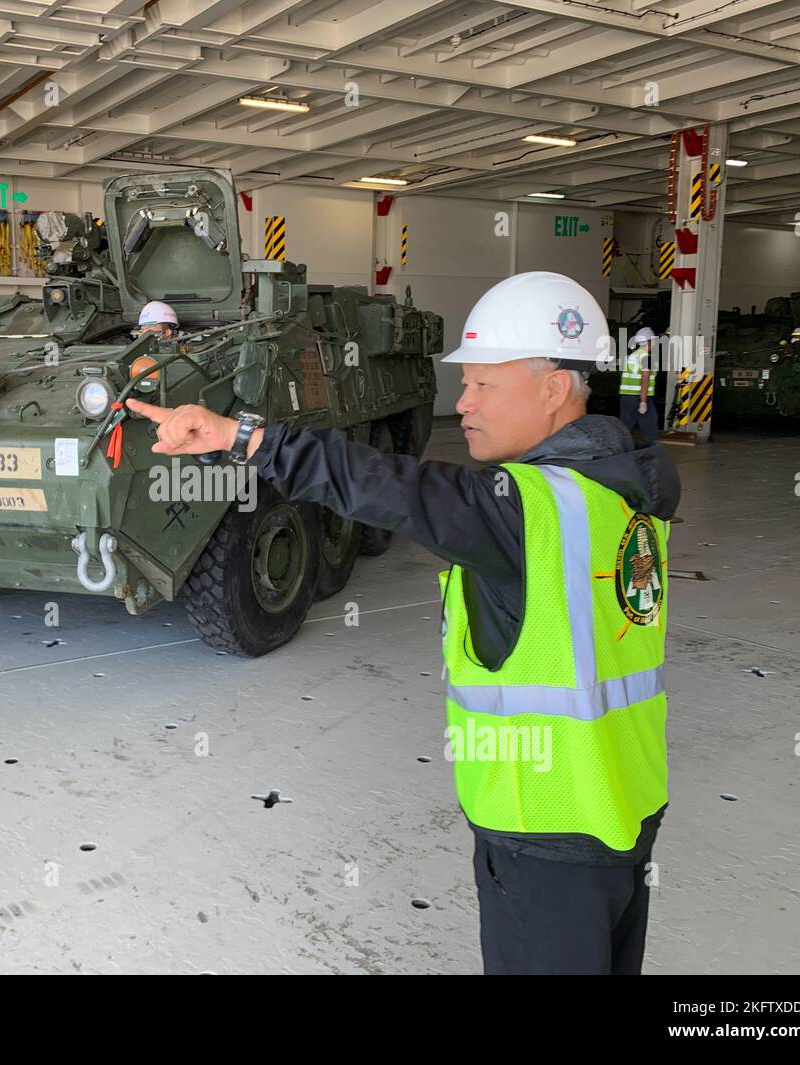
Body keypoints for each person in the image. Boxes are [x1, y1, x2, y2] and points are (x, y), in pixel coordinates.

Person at [124, 271, 681, 975]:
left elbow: (387, 487)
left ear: (552, 387)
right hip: (625, 808)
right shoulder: (627, 493)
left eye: (483, 383)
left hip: (547, 827)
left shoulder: (521, 507)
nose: (465, 402)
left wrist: (244, 438)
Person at [619, 326, 658, 443]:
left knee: (624, 429)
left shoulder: (632, 356)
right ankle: (653, 456)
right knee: (650, 430)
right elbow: (644, 379)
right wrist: (643, 402)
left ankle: (617, 453)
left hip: (626, 397)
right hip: (640, 397)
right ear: (649, 342)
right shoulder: (646, 358)